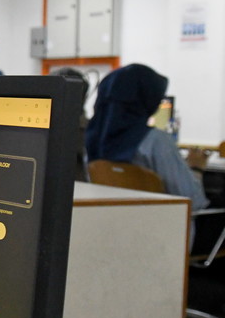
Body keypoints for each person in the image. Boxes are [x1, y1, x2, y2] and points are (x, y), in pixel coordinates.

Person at [85, 63, 207, 210]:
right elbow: (193, 201)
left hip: (116, 225)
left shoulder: (92, 139)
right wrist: (196, 168)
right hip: (164, 228)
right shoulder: (155, 141)